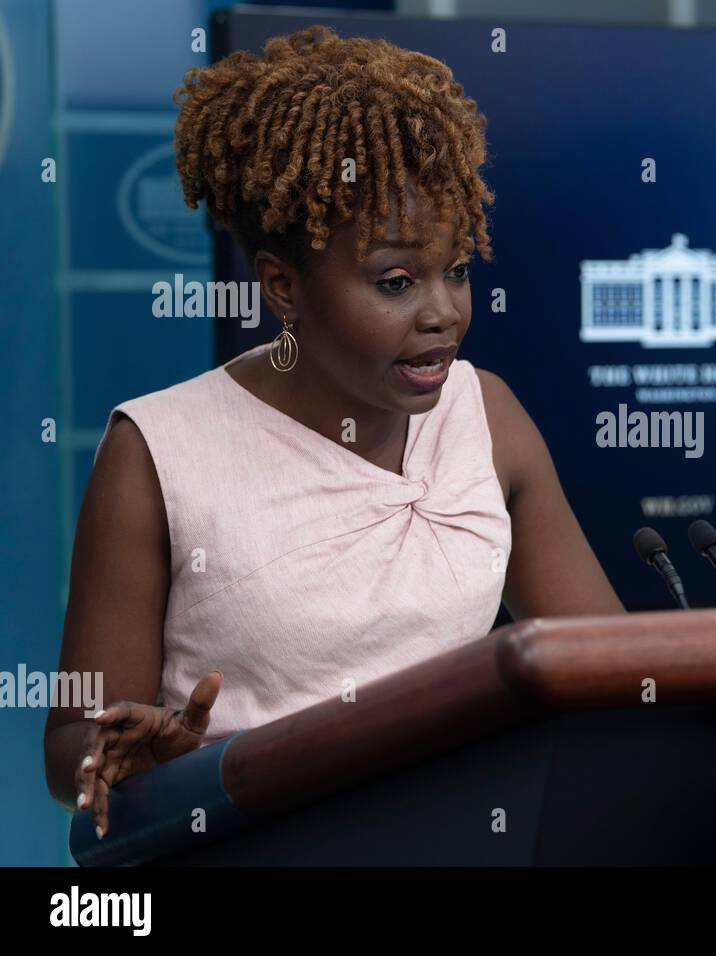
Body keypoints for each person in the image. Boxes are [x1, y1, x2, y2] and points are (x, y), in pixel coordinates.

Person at [44, 25, 624, 840]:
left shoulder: (485, 414)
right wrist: (147, 762)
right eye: (396, 281)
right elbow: (72, 744)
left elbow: (615, 675)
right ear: (282, 285)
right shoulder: (157, 451)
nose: (444, 312)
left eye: (456, 269)